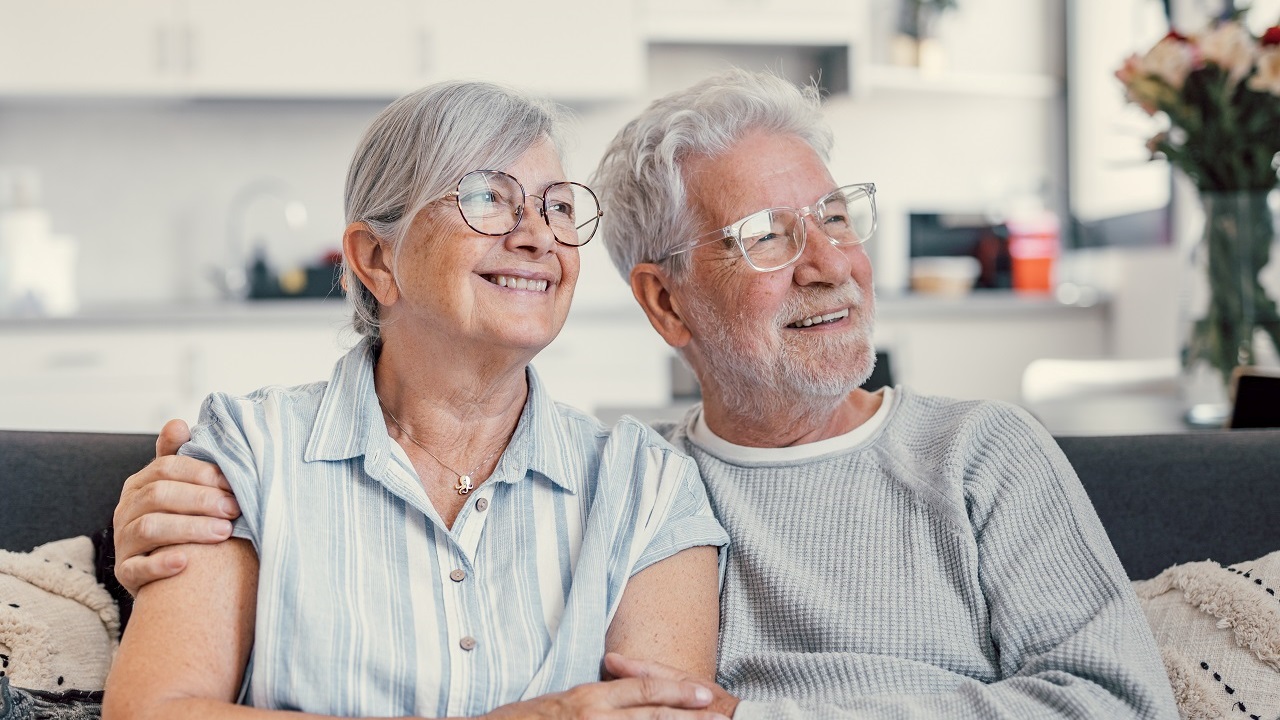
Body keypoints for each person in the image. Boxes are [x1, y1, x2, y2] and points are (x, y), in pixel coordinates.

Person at [112, 69, 1179, 719]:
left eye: (834, 219)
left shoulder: (970, 456)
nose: (829, 267)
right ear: (666, 306)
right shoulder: (650, 477)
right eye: (765, 237)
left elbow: (1120, 705)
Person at [102, 80, 731, 720]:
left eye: (559, 207)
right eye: (488, 197)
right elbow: (150, 713)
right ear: (377, 259)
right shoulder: (250, 454)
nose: (539, 237)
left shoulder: (648, 488)